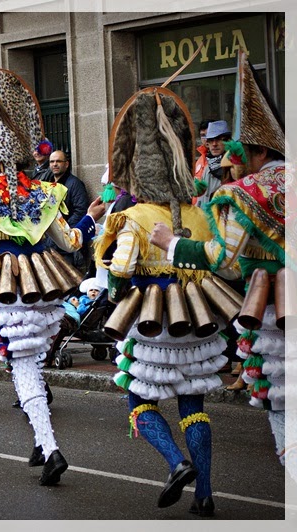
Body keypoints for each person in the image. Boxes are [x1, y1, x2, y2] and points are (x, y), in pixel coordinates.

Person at [0, 68, 104, 484]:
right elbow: (70, 241)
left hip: (6, 285)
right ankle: (39, 439)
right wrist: (90, 219)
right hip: (44, 282)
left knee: (23, 365)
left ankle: (50, 448)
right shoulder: (45, 193)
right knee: (31, 359)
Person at [150, 53, 289, 483]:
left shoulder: (244, 192)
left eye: (239, 152)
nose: (233, 160)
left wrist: (172, 244)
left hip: (280, 309)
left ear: (259, 150)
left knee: (284, 413)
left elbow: (223, 258)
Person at [95, 86, 229, 517]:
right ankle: (204, 494)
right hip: (196, 322)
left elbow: (120, 270)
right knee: (193, 406)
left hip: (151, 325)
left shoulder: (133, 218)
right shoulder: (200, 214)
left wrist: (115, 296)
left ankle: (176, 463)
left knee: (140, 402)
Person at [43, 150, 90, 268]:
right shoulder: (47, 183)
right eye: (52, 162)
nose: (55, 164)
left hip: (68, 244)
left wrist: (63, 230)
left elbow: (81, 210)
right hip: (50, 243)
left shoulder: (75, 184)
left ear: (66, 164)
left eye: (58, 161)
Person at [193, 120, 231, 207]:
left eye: (219, 139)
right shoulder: (207, 167)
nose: (214, 144)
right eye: (211, 140)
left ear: (227, 141)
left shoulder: (233, 167)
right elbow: (201, 201)